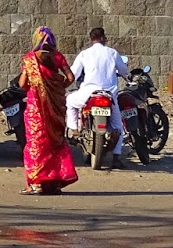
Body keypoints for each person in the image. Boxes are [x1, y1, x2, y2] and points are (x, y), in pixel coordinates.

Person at [17, 26, 78, 195]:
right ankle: (55, 184)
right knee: (56, 142)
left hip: (36, 111)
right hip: (56, 110)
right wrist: (58, 90)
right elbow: (70, 78)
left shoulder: (30, 59)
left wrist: (35, 86)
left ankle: (36, 184)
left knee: (36, 145)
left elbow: (22, 84)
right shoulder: (58, 57)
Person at [66, 26, 127, 165]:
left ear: (91, 39)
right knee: (117, 125)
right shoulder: (112, 53)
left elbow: (74, 74)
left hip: (89, 93)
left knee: (70, 101)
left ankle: (74, 131)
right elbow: (124, 70)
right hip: (109, 95)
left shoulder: (84, 54)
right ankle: (116, 157)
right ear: (102, 38)